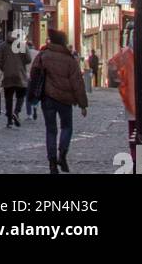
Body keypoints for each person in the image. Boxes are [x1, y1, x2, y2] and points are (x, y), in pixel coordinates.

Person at [31, 29, 88, 174]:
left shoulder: (43, 55)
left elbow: (34, 73)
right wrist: (82, 104)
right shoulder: (69, 59)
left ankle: (52, 163)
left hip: (48, 98)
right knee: (67, 127)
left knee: (51, 130)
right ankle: (62, 154)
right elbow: (77, 82)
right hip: (65, 99)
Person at [108, 41, 136, 165]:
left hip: (131, 100)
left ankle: (137, 161)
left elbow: (112, 66)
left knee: (134, 132)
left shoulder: (125, 53)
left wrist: (121, 81)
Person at [0, 30, 31, 126]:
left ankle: (9, 119)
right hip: (20, 75)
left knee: (8, 98)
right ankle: (16, 112)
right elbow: (28, 59)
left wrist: (5, 68)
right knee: (20, 96)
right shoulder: (22, 45)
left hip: (8, 76)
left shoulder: (3, 46)